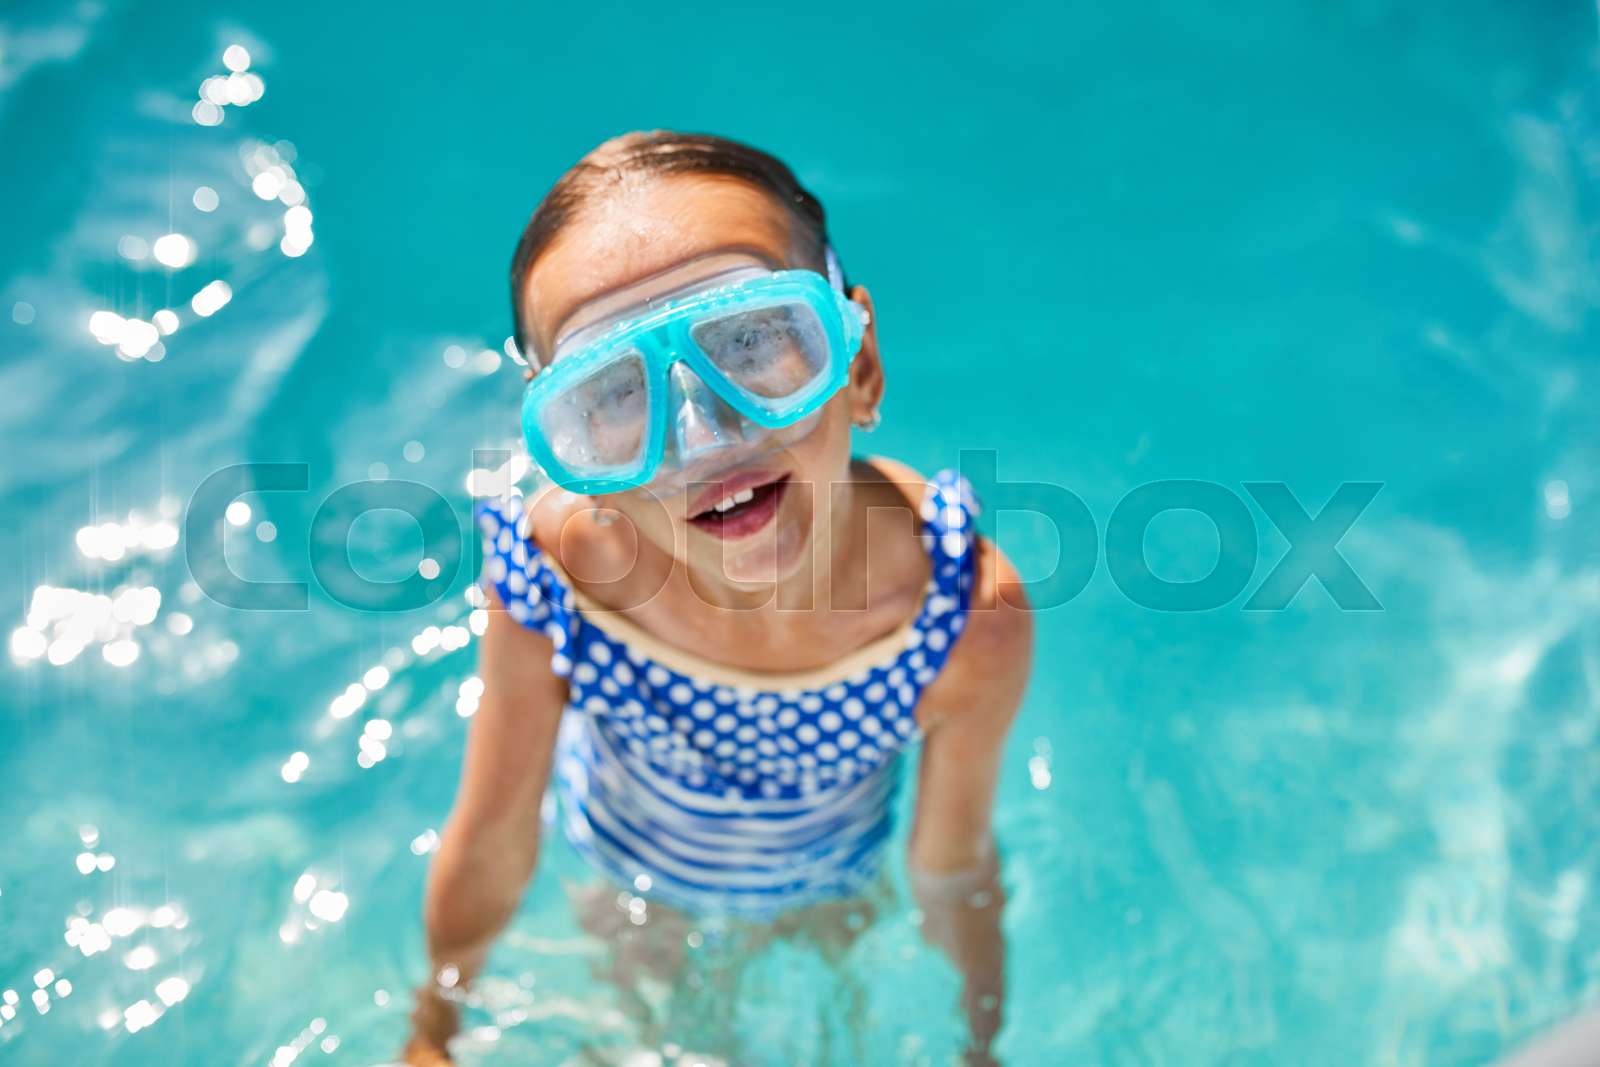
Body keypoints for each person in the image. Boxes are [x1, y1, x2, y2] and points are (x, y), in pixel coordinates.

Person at [407, 131, 1033, 1065]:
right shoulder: (560, 574)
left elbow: (951, 872)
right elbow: (494, 836)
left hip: (830, 897)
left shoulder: (961, 614)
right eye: (613, 393)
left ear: (857, 364)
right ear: (576, 461)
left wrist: (978, 1045)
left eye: (751, 340)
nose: (701, 437)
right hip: (632, 888)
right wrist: (432, 1030)